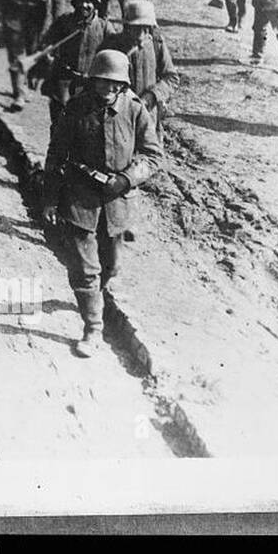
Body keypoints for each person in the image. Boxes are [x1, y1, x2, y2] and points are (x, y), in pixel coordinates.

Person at [42, 49, 163, 358]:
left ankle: (95, 297)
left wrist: (126, 179)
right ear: (92, 81)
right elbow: (56, 154)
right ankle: (92, 327)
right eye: (101, 83)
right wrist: (51, 199)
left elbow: (153, 156)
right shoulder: (76, 108)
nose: (107, 89)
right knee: (85, 269)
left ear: (123, 85)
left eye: (114, 84)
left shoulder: (135, 110)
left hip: (117, 201)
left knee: (111, 265)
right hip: (80, 197)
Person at [29, 0, 111, 127]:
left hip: (90, 85)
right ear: (75, 2)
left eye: (89, 2)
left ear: (95, 5)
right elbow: (46, 43)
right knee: (60, 123)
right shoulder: (64, 22)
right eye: (81, 0)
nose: (85, 5)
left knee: (85, 126)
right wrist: (47, 58)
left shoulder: (103, 27)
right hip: (63, 81)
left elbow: (115, 50)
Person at [104, 0, 179, 138]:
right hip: (118, 116)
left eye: (146, 28)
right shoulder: (112, 44)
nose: (141, 34)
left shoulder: (157, 44)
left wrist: (152, 95)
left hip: (148, 116)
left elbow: (171, 78)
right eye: (136, 28)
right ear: (126, 27)